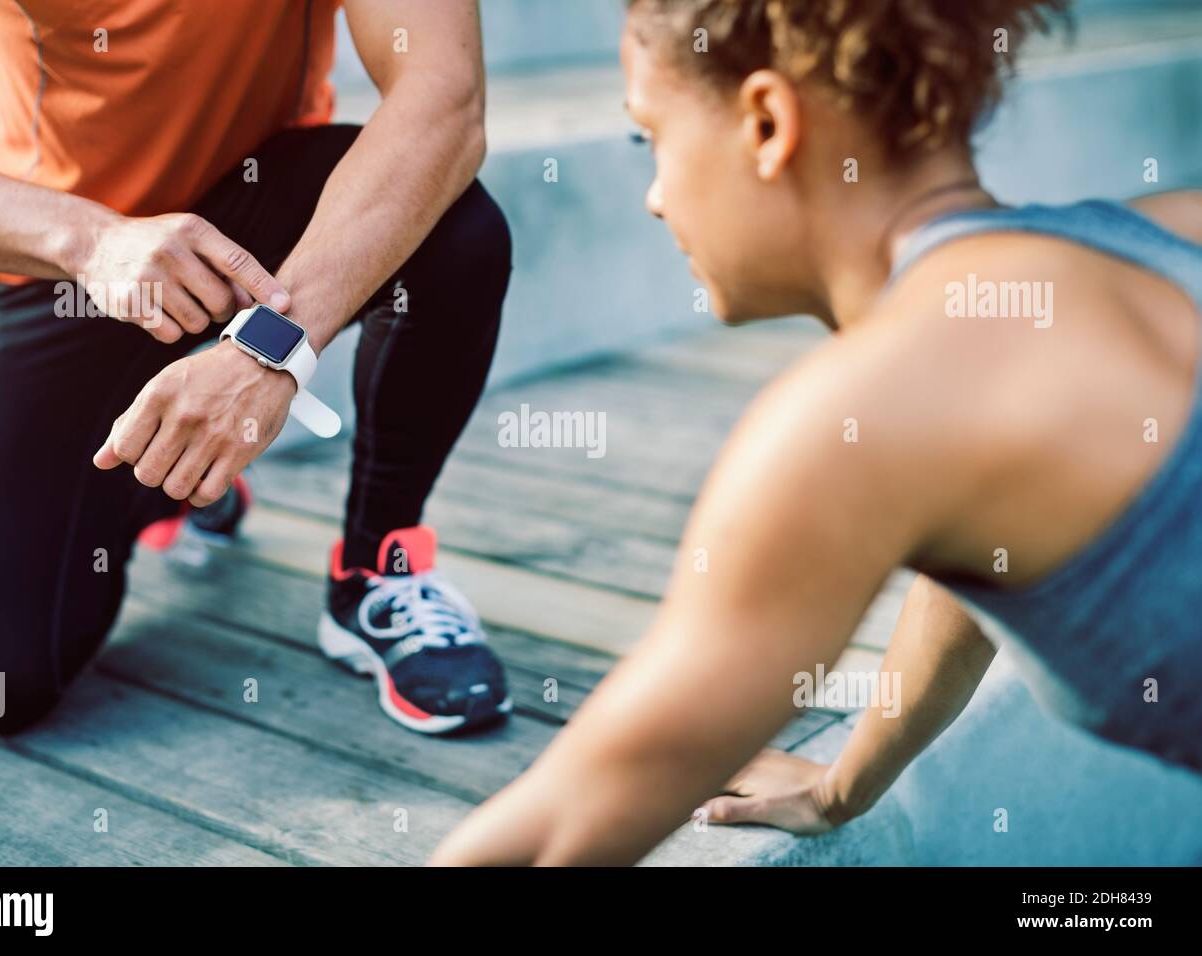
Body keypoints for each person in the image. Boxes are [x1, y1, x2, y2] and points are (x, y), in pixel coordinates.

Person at [432, 0, 1202, 865]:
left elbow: (558, 829)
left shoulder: (852, 418)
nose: (652, 200)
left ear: (766, 122)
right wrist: (846, 785)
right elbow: (977, 551)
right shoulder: (1161, 234)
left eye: (650, 139)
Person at [0, 0, 514, 735]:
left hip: (261, 216)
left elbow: (443, 98)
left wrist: (271, 345)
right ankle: (175, 478)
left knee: (457, 229)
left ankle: (377, 566)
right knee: (0, 681)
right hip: (65, 252)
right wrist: (90, 240)